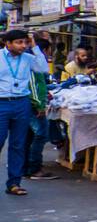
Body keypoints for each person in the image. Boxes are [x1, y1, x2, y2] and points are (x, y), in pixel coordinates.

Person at [0, 30, 49, 196]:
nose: (23, 46)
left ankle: (14, 183)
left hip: (22, 103)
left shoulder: (28, 58)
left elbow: (43, 69)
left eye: (25, 42)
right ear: (7, 43)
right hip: (2, 102)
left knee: (18, 144)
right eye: (18, 43)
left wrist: (34, 46)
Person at [25, 36, 55, 180]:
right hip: (33, 105)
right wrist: (39, 105)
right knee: (41, 134)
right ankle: (34, 168)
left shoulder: (31, 60)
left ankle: (26, 167)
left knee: (30, 135)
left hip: (30, 104)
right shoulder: (33, 61)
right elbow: (33, 86)